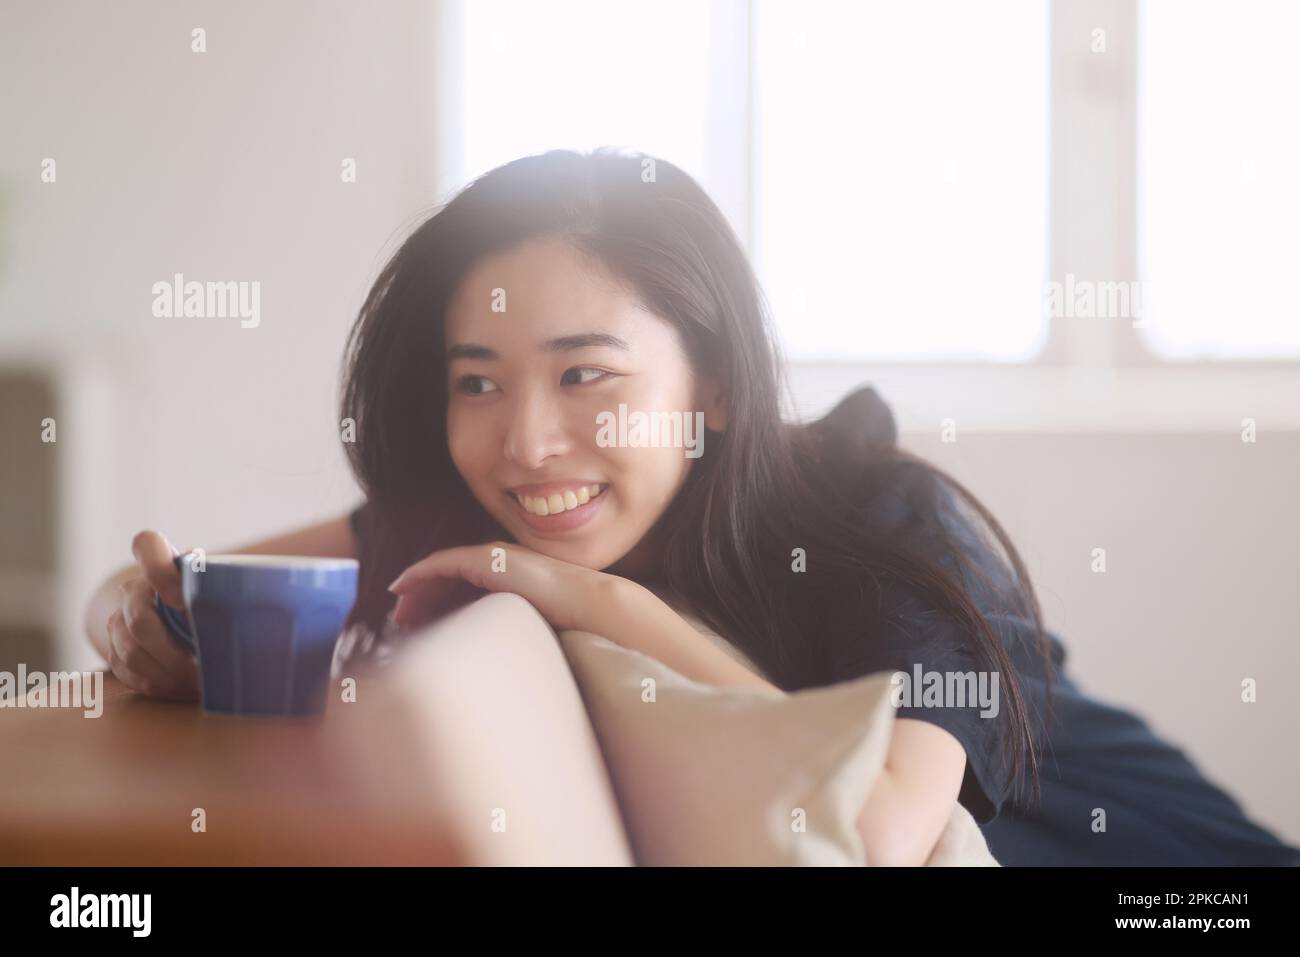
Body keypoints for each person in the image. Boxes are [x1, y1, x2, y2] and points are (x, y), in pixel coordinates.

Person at [84, 148, 1300, 866]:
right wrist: (143, 624)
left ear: (709, 382)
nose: (525, 442)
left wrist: (592, 602)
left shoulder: (887, 528)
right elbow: (177, 579)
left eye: (586, 374)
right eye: (476, 383)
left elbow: (869, 836)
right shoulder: (482, 523)